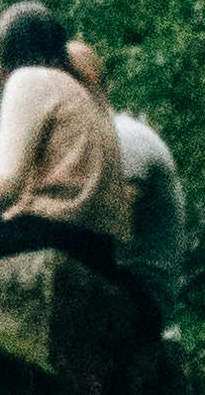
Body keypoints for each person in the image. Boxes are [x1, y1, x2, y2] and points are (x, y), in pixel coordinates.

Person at [0, 0, 131, 275]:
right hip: (100, 250)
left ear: (13, 44)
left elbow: (6, 184)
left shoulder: (29, 79)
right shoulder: (86, 95)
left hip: (55, 236)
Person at [66, 38, 184, 331]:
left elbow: (108, 217)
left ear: (87, 81)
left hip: (140, 294)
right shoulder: (88, 145)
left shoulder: (124, 136)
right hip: (111, 282)